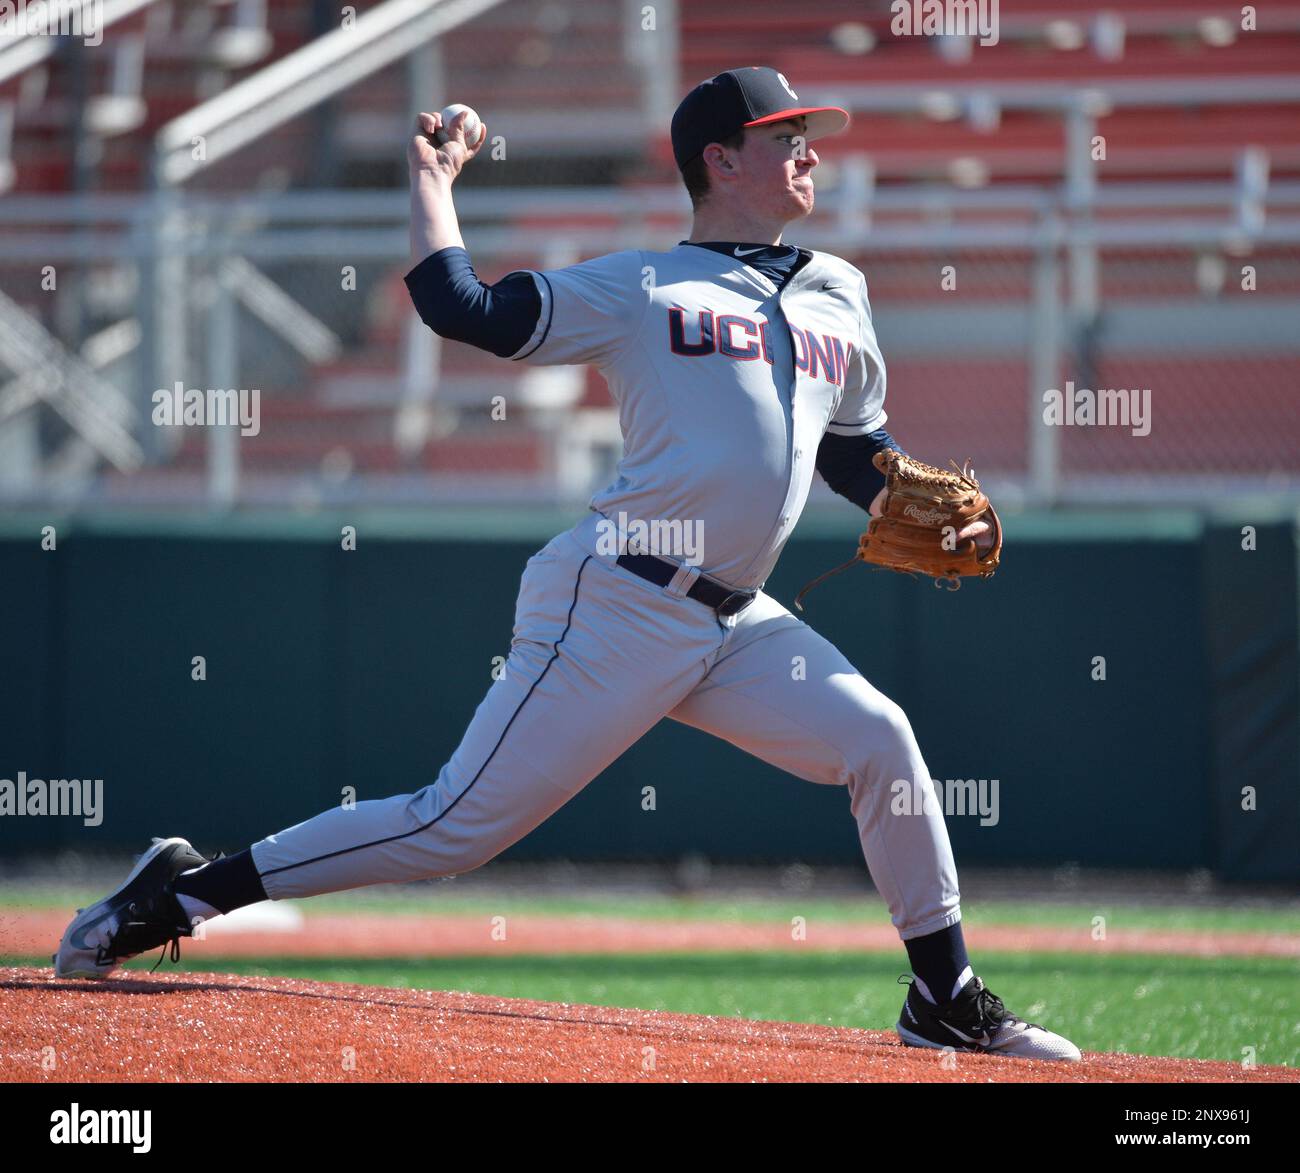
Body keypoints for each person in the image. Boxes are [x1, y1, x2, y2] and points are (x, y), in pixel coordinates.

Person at [56, 67, 1080, 1062]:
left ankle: (943, 997)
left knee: (878, 740)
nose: (808, 152)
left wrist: (902, 494)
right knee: (450, 829)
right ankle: (179, 892)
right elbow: (466, 308)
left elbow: (849, 449)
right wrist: (432, 181)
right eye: (783, 138)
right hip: (618, 599)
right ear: (720, 160)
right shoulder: (642, 282)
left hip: (734, 619)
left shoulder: (839, 293)